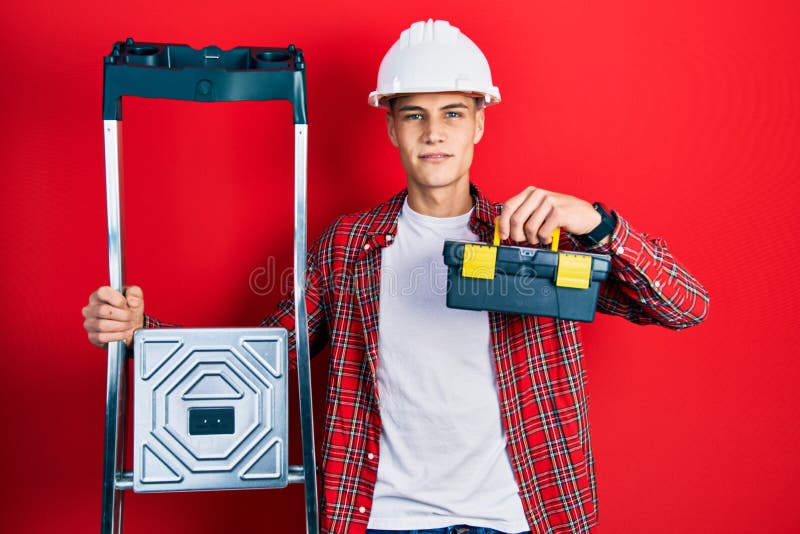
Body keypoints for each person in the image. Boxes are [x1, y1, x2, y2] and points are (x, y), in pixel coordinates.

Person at [83, 20, 708, 534]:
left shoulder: (535, 237)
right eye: (414, 115)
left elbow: (685, 305)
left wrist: (594, 221)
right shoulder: (350, 245)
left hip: (518, 517)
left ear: (479, 123)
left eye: (453, 114)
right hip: (379, 517)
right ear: (389, 125)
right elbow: (266, 361)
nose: (434, 132)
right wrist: (144, 333)